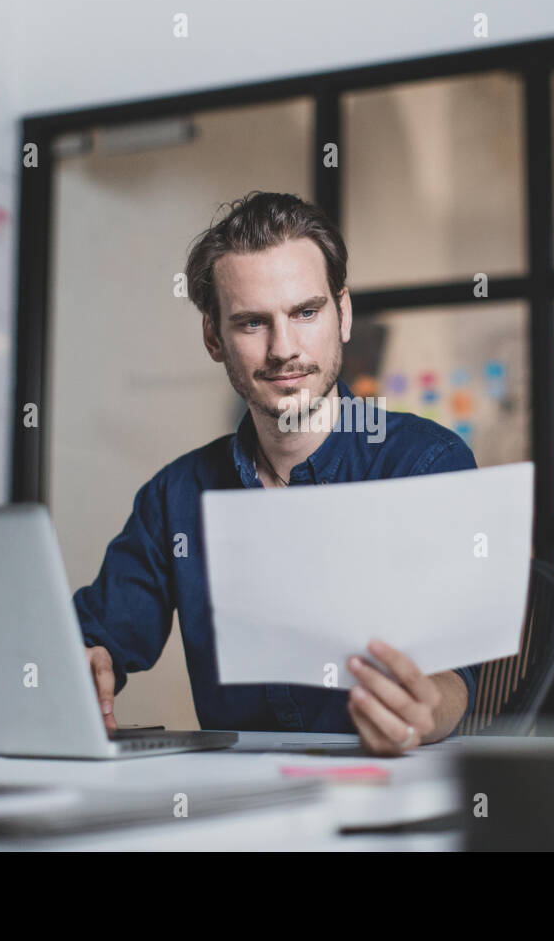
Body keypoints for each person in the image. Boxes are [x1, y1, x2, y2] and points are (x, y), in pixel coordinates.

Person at [75, 191, 479, 755]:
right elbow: (99, 639)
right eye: (251, 323)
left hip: (386, 796)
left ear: (344, 314)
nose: (284, 348)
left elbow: (455, 680)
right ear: (214, 337)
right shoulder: (176, 496)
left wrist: (423, 710)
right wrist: (85, 663)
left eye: (306, 312)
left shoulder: (425, 466)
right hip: (236, 808)